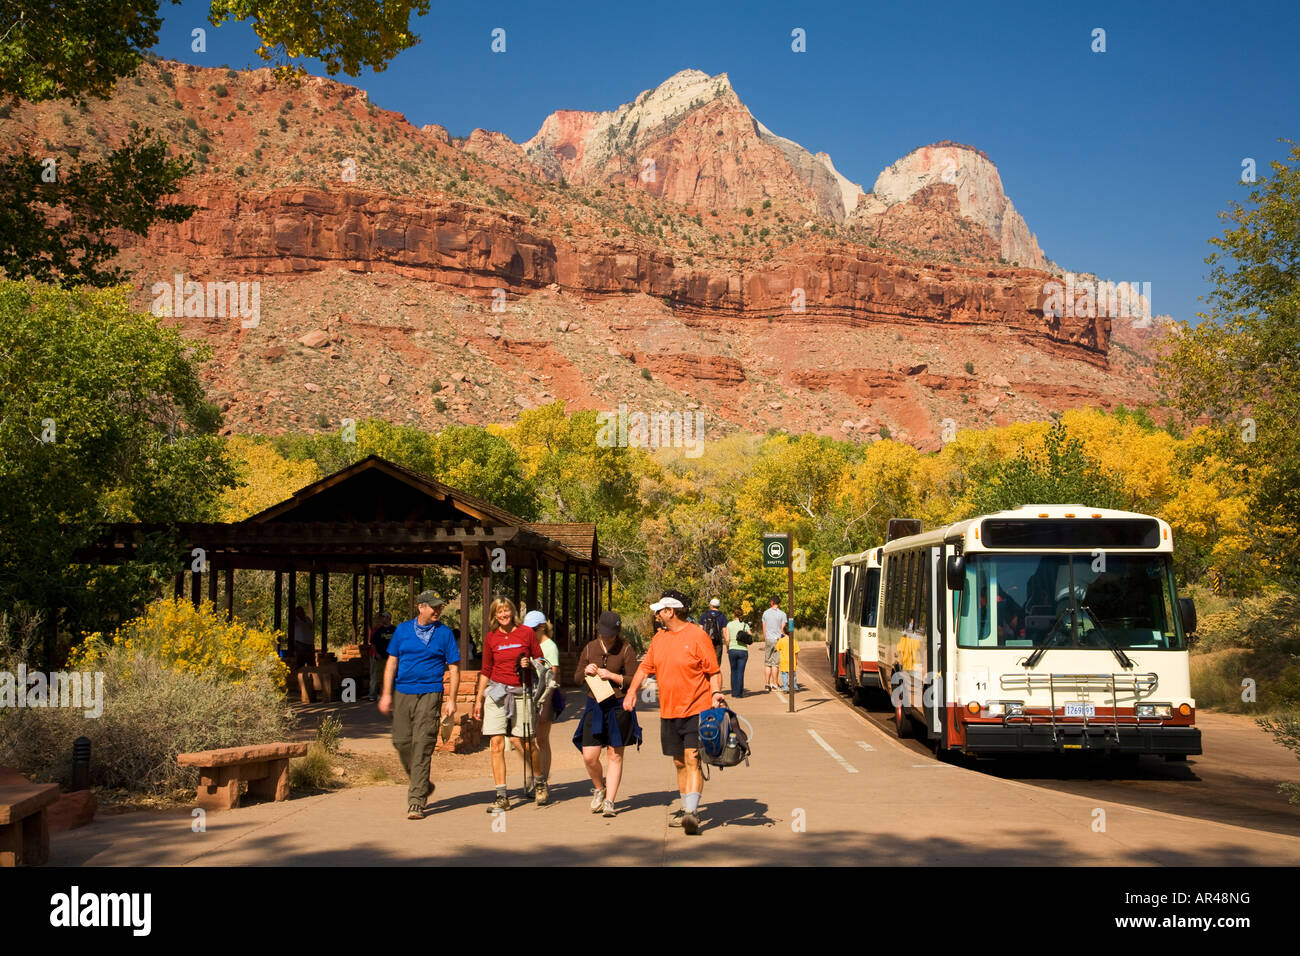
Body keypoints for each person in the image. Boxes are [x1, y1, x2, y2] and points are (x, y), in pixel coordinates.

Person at [623, 589, 723, 835]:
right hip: (668, 712)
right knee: (679, 762)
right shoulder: (659, 639)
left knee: (692, 759)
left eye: (660, 610)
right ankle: (685, 807)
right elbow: (644, 668)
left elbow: (714, 671)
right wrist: (631, 692)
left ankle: (691, 812)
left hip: (697, 709)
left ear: (670, 612)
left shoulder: (698, 636)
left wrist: (716, 694)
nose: (656, 614)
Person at [377, 592, 460, 820]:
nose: (437, 611)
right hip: (403, 691)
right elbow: (391, 662)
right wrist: (385, 694)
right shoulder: (402, 630)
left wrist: (451, 699)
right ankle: (422, 783)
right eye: (433, 607)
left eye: (439, 608)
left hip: (431, 692)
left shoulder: (445, 634)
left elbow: (453, 668)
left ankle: (416, 800)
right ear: (420, 607)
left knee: (422, 743)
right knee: (401, 741)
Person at [474, 597, 544, 812]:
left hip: (521, 691)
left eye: (506, 611)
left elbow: (541, 661)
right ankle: (502, 795)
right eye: (499, 612)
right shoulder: (491, 638)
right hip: (496, 692)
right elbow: (486, 670)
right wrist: (479, 698)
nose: (503, 615)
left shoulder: (526, 633)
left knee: (526, 742)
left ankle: (539, 780)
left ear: (513, 612)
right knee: (496, 744)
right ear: (494, 616)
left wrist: (529, 664)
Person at [574, 610, 642, 817]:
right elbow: (576, 678)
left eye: (611, 633)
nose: (608, 636)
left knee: (615, 754)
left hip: (618, 706)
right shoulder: (590, 648)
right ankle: (599, 788)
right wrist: (586, 671)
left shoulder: (626, 649)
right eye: (604, 632)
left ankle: (610, 801)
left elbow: (634, 679)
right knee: (589, 756)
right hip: (594, 705)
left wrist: (612, 675)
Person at [524, 609, 560, 788]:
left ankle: (542, 779)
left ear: (542, 627)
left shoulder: (549, 647)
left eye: (532, 629)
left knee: (542, 739)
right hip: (529, 695)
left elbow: (552, 678)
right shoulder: (527, 644)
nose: (529, 632)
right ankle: (535, 774)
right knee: (528, 740)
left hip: (545, 697)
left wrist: (546, 704)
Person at [367, 611, 395, 702]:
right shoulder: (379, 630)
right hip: (380, 657)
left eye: (385, 617)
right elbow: (373, 644)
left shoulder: (394, 629)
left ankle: (390, 695)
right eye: (383, 617)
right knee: (379, 677)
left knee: (392, 676)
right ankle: (379, 694)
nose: (384, 619)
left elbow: (399, 642)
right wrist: (377, 654)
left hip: (391, 657)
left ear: (389, 618)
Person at [761, 595, 787, 692]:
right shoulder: (783, 614)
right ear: (778, 603)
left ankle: (767, 684)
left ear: (772, 602)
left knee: (767, 663)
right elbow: (783, 629)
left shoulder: (765, 613)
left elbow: (764, 627)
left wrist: (765, 638)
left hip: (768, 639)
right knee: (775, 664)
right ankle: (775, 683)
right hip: (778, 640)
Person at [724, 612, 750, 697]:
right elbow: (750, 636)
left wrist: (728, 648)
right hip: (743, 650)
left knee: (733, 671)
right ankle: (739, 693)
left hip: (732, 649)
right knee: (740, 672)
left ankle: (734, 692)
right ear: (741, 615)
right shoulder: (745, 625)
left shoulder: (729, 624)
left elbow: (727, 639)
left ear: (733, 615)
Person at [699, 598, 728, 665]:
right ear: (719, 606)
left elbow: (700, 629)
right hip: (718, 641)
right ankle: (715, 673)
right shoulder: (722, 615)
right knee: (717, 661)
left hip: (706, 640)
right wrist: (727, 643)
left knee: (706, 660)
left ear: (711, 605)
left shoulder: (704, 614)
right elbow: (724, 631)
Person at [776, 623, 801, 691]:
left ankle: (786, 687)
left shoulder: (781, 640)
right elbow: (796, 651)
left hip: (784, 660)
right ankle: (794, 686)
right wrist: (796, 660)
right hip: (792, 660)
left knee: (784, 674)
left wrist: (779, 639)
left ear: (783, 632)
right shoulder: (793, 640)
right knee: (793, 674)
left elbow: (777, 648)